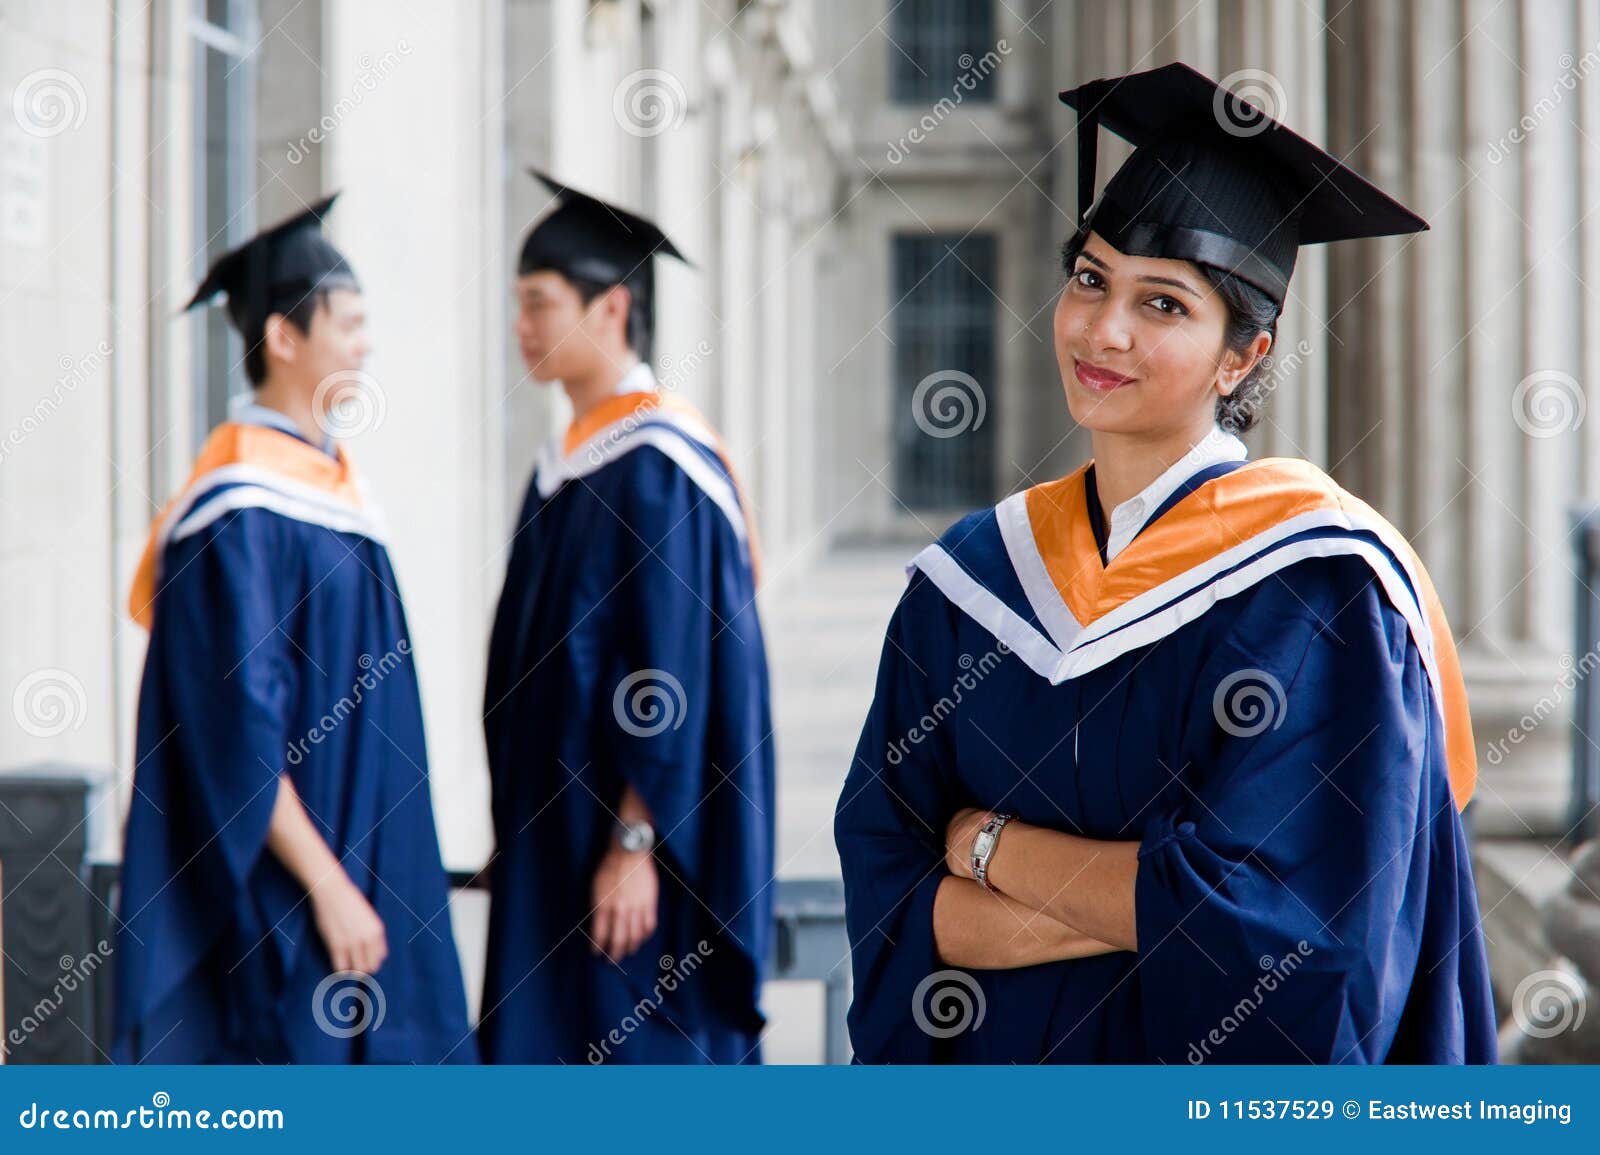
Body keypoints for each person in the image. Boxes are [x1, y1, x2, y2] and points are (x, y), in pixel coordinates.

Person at [834, 62, 1497, 1064]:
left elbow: (1292, 944)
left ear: (1243, 356)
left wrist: (988, 850)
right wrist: (1152, 905)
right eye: (1090, 280)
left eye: (1164, 305)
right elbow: (885, 883)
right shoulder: (970, 583)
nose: (1103, 331)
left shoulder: (1316, 594)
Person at [114, 195, 477, 1063]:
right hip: (294, 904)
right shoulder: (235, 512)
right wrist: (328, 885)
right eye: (347, 325)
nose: (366, 345)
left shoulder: (326, 491)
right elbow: (238, 730)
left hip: (377, 881)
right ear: (283, 337)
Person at [478, 171, 773, 1064]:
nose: (521, 326)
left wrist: (637, 840)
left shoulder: (658, 468)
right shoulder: (565, 466)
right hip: (555, 843)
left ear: (610, 308)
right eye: (518, 304)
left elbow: (670, 677)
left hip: (630, 856)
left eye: (539, 302)